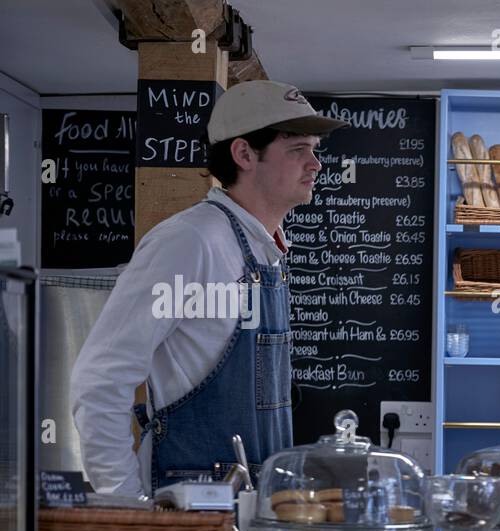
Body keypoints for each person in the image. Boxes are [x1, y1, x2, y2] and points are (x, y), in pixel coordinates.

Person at [71, 81, 347, 497]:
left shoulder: (266, 248)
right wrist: (125, 502)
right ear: (243, 154)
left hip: (254, 511)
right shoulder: (189, 241)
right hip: (186, 515)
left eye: (314, 149)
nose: (315, 164)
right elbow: (99, 380)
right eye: (297, 150)